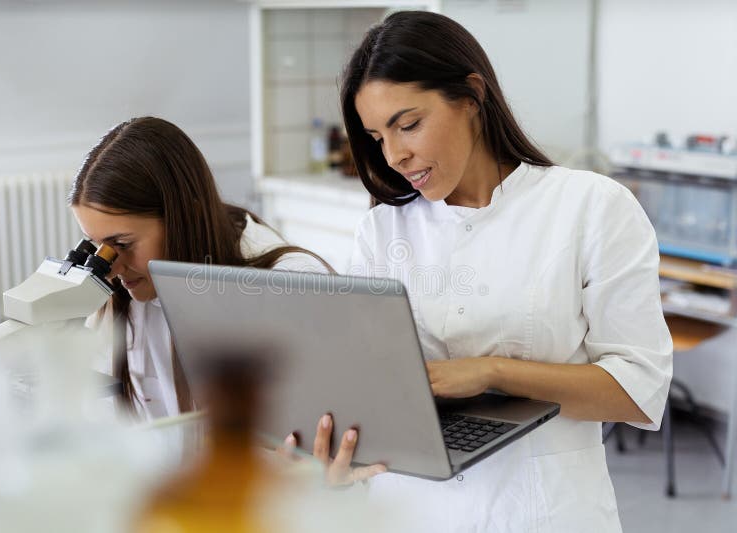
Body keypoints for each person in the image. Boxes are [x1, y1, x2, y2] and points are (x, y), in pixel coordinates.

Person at [339, 11, 672, 532]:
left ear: (471, 97)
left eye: (409, 125)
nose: (396, 154)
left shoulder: (590, 206)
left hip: (542, 511)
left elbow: (637, 390)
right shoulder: (381, 231)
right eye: (378, 137)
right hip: (409, 509)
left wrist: (494, 371)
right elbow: (365, 383)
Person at [68, 116, 385, 484]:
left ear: (182, 215)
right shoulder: (125, 293)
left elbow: (337, 438)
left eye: (122, 245)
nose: (112, 265)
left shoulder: (287, 283)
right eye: (98, 247)